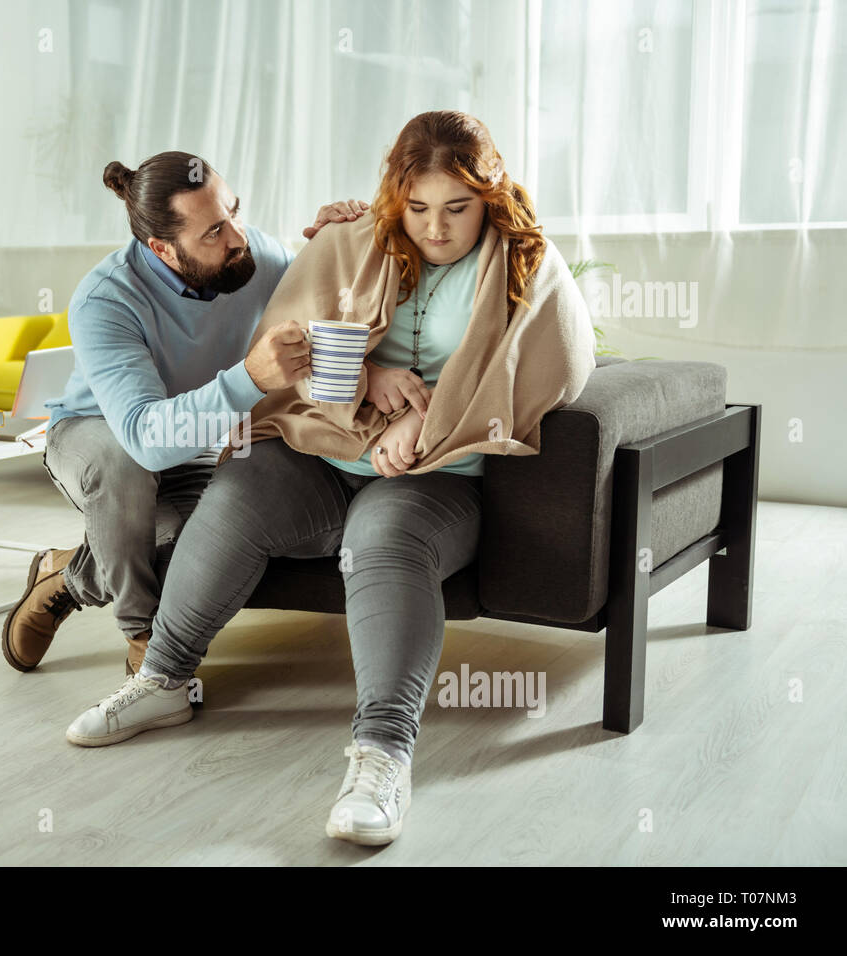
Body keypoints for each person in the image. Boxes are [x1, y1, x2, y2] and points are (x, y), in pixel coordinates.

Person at [62, 112, 597, 846]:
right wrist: (365, 380)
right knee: (240, 491)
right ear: (395, 197)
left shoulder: (526, 266)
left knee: (384, 537)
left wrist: (428, 419)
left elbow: (556, 370)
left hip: (436, 475)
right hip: (326, 450)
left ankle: (383, 755)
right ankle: (164, 680)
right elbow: (304, 335)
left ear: (491, 197)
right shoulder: (359, 241)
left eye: (456, 209)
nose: (434, 229)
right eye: (416, 208)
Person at [1, 148, 369, 675]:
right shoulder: (106, 299)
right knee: (122, 466)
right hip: (98, 433)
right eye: (213, 232)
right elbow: (144, 439)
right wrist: (252, 378)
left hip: (193, 443)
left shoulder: (254, 257)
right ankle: (142, 635)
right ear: (162, 248)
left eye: (234, 212)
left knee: (223, 540)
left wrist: (336, 243)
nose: (238, 237)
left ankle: (67, 576)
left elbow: (326, 306)